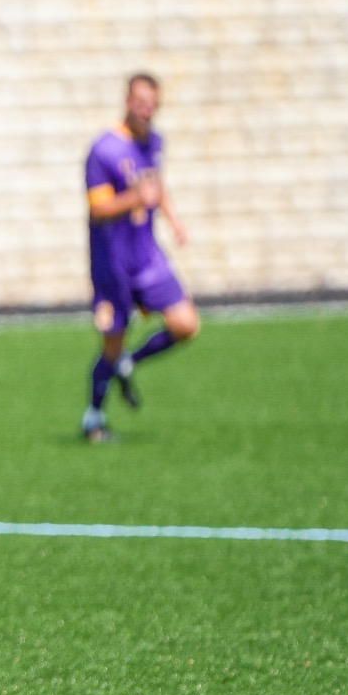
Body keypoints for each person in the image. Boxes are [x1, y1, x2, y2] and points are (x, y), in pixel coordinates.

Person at [81, 72, 200, 442]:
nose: (146, 110)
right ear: (127, 101)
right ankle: (94, 418)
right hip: (112, 262)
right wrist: (135, 199)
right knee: (112, 342)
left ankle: (130, 363)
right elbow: (98, 209)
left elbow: (155, 184)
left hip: (147, 257)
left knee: (185, 324)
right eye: (140, 102)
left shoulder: (154, 142)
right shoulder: (104, 150)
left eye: (153, 104)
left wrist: (175, 221)